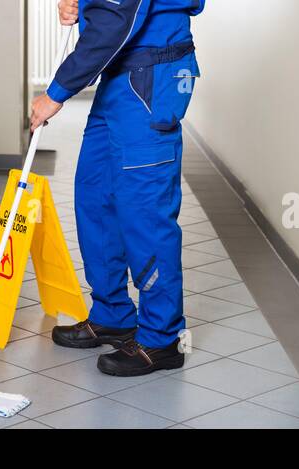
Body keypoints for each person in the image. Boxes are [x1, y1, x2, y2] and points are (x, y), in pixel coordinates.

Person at [30, 0, 203, 377]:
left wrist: (55, 93)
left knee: (144, 212)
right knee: (96, 199)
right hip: (120, 77)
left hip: (152, 79)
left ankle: (161, 338)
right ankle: (112, 315)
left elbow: (115, 24)